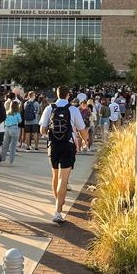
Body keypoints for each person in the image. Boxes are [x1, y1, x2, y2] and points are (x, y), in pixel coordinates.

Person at [39, 85, 88, 224]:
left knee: (55, 176)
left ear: (57, 94)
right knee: (63, 179)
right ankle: (58, 210)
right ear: (68, 95)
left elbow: (42, 129)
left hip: (53, 145)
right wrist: (85, 141)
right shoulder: (73, 109)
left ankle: (58, 202)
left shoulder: (49, 108)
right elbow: (82, 129)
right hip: (68, 144)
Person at [0, 100, 21, 165]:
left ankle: (1, 160)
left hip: (7, 128)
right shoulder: (17, 114)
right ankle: (11, 161)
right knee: (13, 146)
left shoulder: (7, 113)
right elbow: (20, 120)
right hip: (14, 128)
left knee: (5, 145)